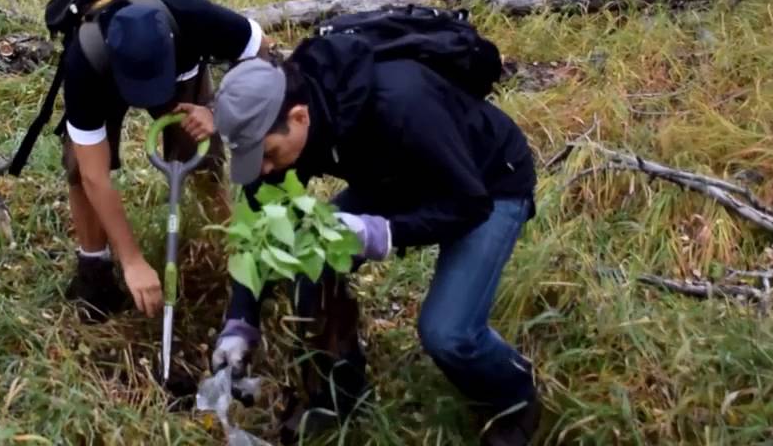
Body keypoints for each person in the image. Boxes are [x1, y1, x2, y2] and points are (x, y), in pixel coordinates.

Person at [202, 31, 541, 445]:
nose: (266, 169)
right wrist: (240, 321)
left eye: (269, 154)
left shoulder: (401, 104)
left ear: (299, 117)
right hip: (390, 174)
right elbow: (258, 227)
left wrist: (384, 232)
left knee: (448, 334)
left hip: (486, 183)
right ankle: (340, 392)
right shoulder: (285, 124)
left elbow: (469, 203)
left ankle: (515, 397)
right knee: (315, 258)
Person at [55, 0, 268, 324]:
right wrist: (133, 261)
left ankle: (240, 261)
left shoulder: (195, 17)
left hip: (183, 70)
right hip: (102, 70)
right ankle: (95, 272)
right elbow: (94, 175)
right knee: (78, 167)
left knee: (201, 159)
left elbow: (262, 55)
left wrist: (217, 110)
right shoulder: (85, 59)